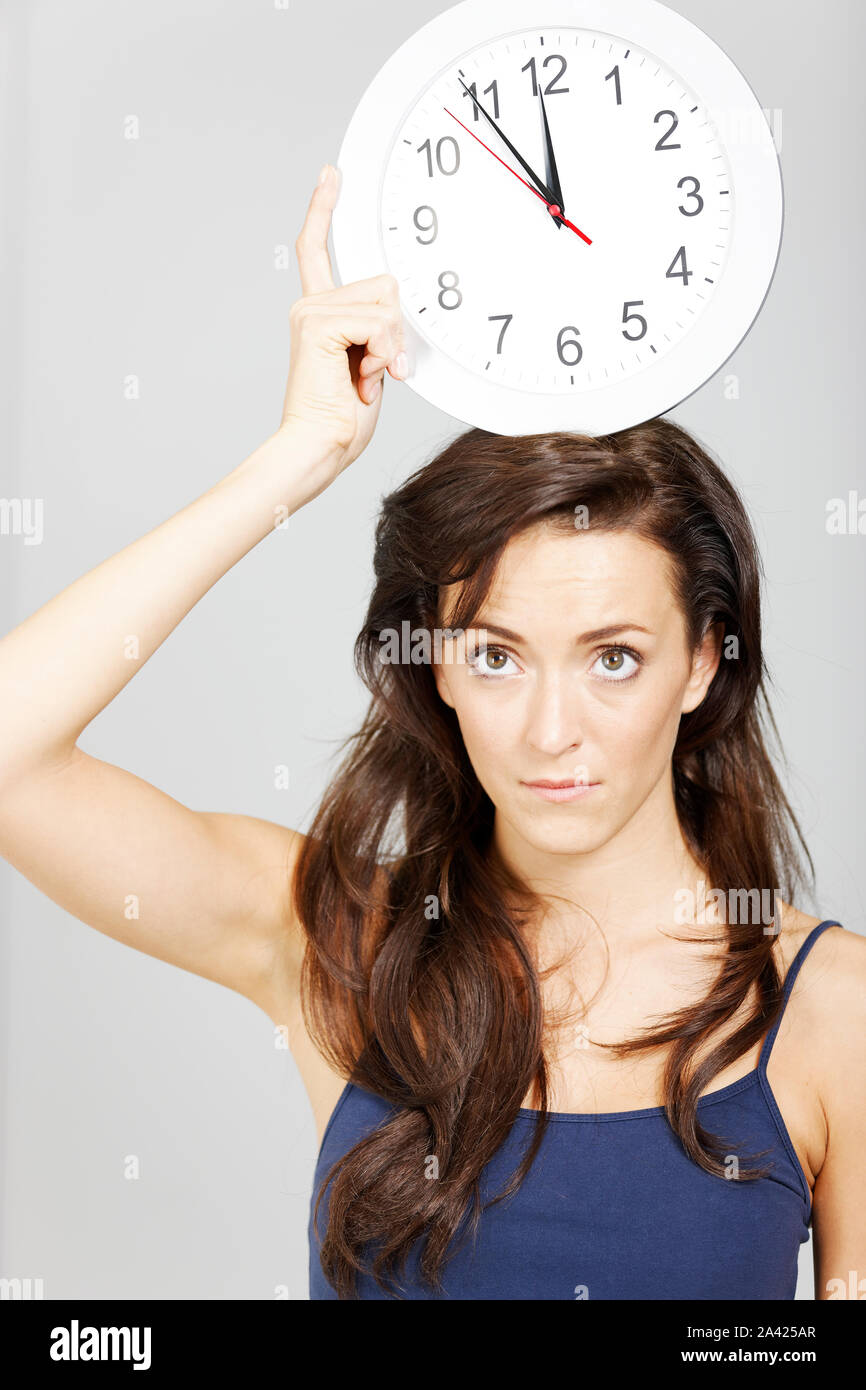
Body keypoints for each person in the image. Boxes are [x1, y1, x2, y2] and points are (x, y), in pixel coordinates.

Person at [0, 164, 863, 1302]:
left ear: (703, 661)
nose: (551, 730)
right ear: (436, 670)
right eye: (494, 655)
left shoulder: (829, 1007)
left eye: (613, 658)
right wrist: (297, 456)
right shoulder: (341, 942)